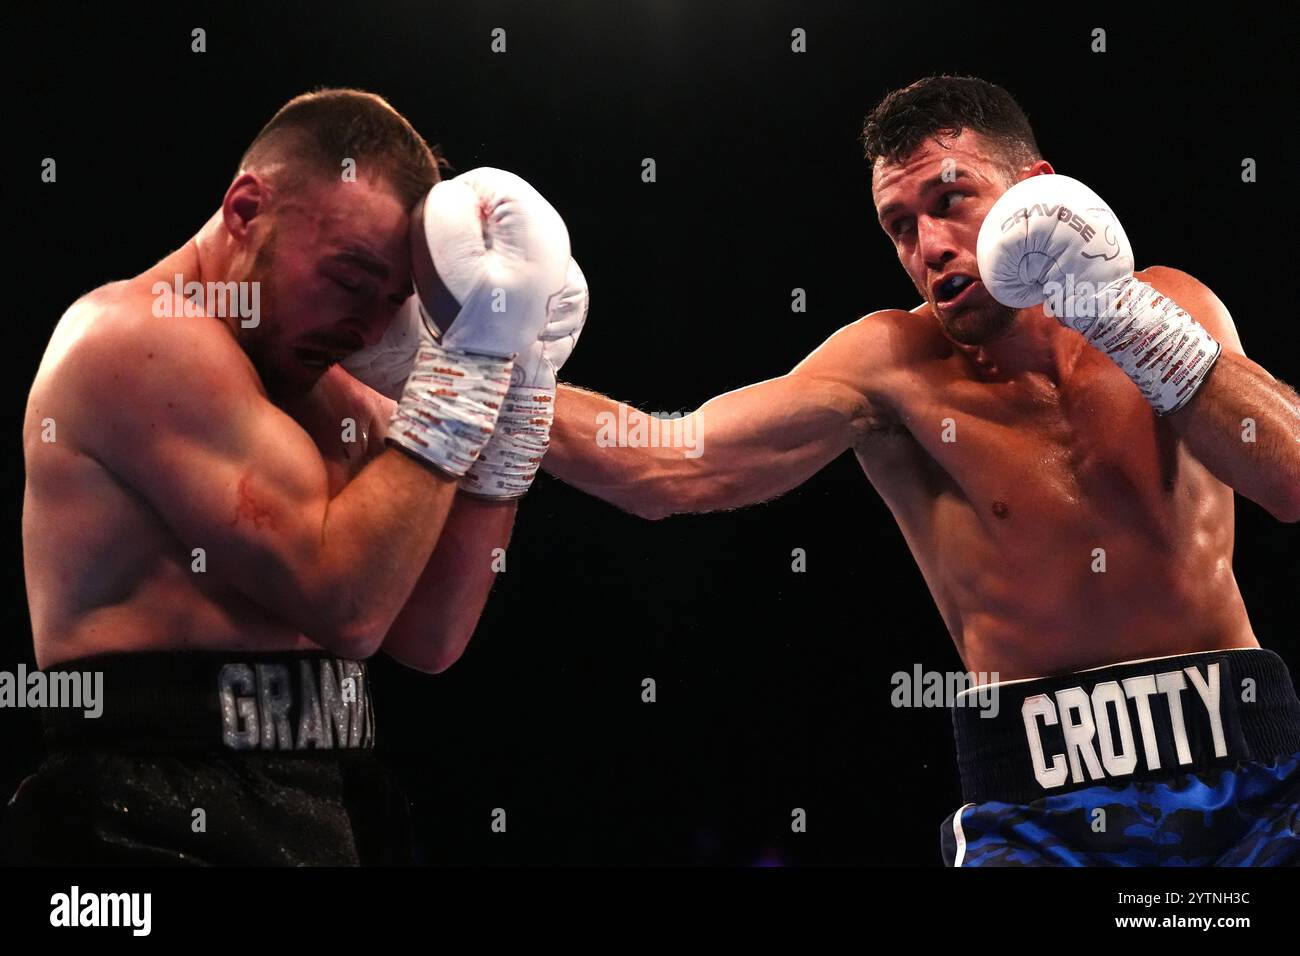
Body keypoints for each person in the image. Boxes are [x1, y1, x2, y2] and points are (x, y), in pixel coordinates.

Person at [542, 76, 1300, 865]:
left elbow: (1291, 478)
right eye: (899, 227)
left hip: (1254, 777)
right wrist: (489, 375)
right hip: (1042, 810)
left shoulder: (1165, 301)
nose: (928, 246)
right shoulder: (894, 367)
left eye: (951, 200)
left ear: (1037, 193)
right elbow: (671, 466)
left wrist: (1135, 326)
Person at [6, 88, 585, 864]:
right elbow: (345, 604)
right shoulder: (136, 340)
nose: (369, 328)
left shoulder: (326, 395)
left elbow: (429, 633)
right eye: (350, 277)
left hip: (329, 798)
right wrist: (466, 370)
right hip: (142, 818)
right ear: (247, 208)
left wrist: (519, 397)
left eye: (393, 303)